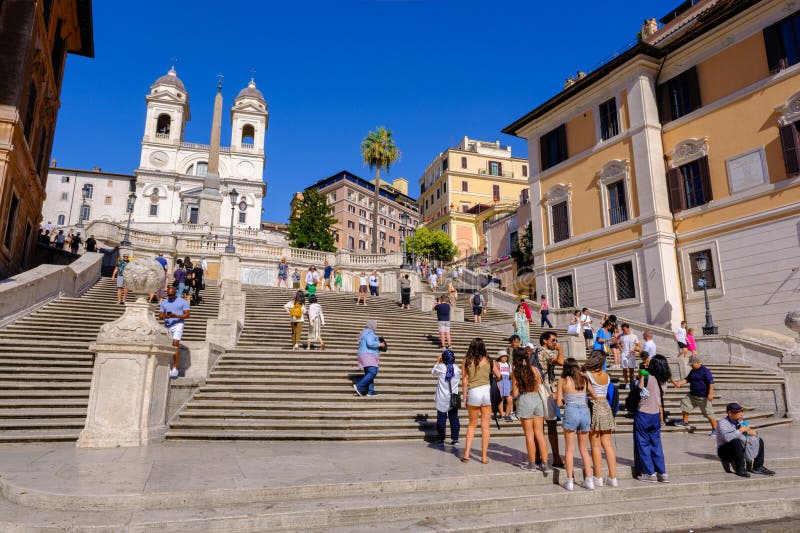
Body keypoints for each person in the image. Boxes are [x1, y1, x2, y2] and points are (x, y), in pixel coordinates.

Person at [557, 359, 595, 491]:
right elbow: (594, 395)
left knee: (569, 449)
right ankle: (589, 480)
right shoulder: (583, 379)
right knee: (584, 449)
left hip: (571, 411)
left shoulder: (563, 380)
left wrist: (562, 399)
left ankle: (570, 481)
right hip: (584, 411)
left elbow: (559, 404)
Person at [633, 354, 672, 483]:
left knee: (643, 443)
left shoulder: (647, 377)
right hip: (656, 414)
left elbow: (641, 394)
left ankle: (649, 473)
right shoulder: (664, 381)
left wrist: (641, 377)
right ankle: (662, 472)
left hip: (643, 413)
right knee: (656, 444)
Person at [460, 337, 498, 464]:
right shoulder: (489, 360)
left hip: (473, 392)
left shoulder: (466, 360)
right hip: (486, 391)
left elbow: (464, 380)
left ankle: (466, 454)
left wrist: (464, 397)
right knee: (485, 426)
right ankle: (483, 456)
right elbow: (498, 376)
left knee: (472, 425)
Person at [511, 346, 549, 471]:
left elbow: (515, 393)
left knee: (529, 434)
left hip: (525, 400)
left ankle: (532, 463)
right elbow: (540, 384)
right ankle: (545, 463)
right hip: (537, 399)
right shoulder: (533, 369)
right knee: (539, 434)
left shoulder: (515, 372)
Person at [584, 351, 618, 487]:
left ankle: (598, 476)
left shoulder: (587, 375)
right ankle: (612, 477)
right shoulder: (606, 376)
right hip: (606, 407)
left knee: (595, 445)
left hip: (594, 407)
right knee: (608, 445)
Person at [532, 331, 565, 467]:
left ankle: (537, 456)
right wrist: (560, 349)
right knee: (551, 425)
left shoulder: (534, 352)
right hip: (546, 390)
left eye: (556, 341)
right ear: (544, 341)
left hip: (535, 390)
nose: (555, 343)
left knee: (537, 426)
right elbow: (561, 362)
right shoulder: (545, 352)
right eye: (553, 340)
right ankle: (556, 458)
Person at [716, 402, 775, 477]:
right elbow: (727, 438)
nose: (741, 414)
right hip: (725, 451)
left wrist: (752, 432)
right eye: (737, 412)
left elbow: (747, 433)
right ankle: (740, 468)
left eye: (741, 411)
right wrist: (741, 430)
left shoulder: (740, 421)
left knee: (759, 440)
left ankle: (758, 467)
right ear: (730, 413)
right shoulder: (722, 423)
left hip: (740, 449)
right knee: (735, 441)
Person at [674, 356, 717, 434]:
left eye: (692, 364)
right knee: (684, 403)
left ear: (698, 362)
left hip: (703, 397)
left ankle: (715, 429)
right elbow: (687, 379)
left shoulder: (705, 371)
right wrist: (680, 383)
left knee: (709, 413)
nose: (691, 366)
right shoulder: (693, 371)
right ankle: (685, 422)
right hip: (692, 395)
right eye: (690, 364)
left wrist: (710, 393)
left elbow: (711, 383)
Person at [159, 286, 190, 379]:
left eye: (172, 295)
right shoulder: (164, 302)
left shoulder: (183, 302)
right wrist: (165, 316)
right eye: (169, 295)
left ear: (175, 293)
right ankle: (168, 366)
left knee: (175, 344)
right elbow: (160, 316)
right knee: (168, 345)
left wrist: (176, 315)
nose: (170, 297)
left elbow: (187, 315)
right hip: (168, 325)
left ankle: (175, 368)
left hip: (178, 324)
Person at [432, 349, 462, 446]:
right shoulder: (457, 369)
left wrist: (437, 361)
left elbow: (433, 373)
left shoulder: (440, 367)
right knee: (454, 418)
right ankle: (455, 439)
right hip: (453, 398)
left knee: (441, 418)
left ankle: (441, 439)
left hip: (442, 397)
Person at [353, 320, 385, 397]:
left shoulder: (364, 332)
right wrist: (379, 344)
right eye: (375, 325)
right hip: (368, 354)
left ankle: (370, 391)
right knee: (373, 371)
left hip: (363, 354)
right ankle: (359, 385)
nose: (376, 327)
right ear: (372, 326)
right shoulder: (369, 332)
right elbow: (370, 343)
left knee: (369, 372)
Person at [618, 323, 640, 389]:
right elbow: (617, 343)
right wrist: (619, 347)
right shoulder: (621, 336)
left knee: (631, 370)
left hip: (631, 355)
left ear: (628, 328)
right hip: (624, 354)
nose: (622, 330)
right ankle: (626, 383)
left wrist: (634, 350)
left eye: (623, 329)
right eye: (622, 329)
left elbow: (638, 346)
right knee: (624, 369)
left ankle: (631, 383)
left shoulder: (634, 336)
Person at [496, 351, 513, 421]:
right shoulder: (497, 364)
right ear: (499, 357)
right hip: (500, 381)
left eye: (506, 356)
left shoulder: (508, 364)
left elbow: (510, 374)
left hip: (507, 382)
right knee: (501, 398)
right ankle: (502, 414)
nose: (505, 357)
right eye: (503, 356)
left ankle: (507, 414)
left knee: (509, 399)